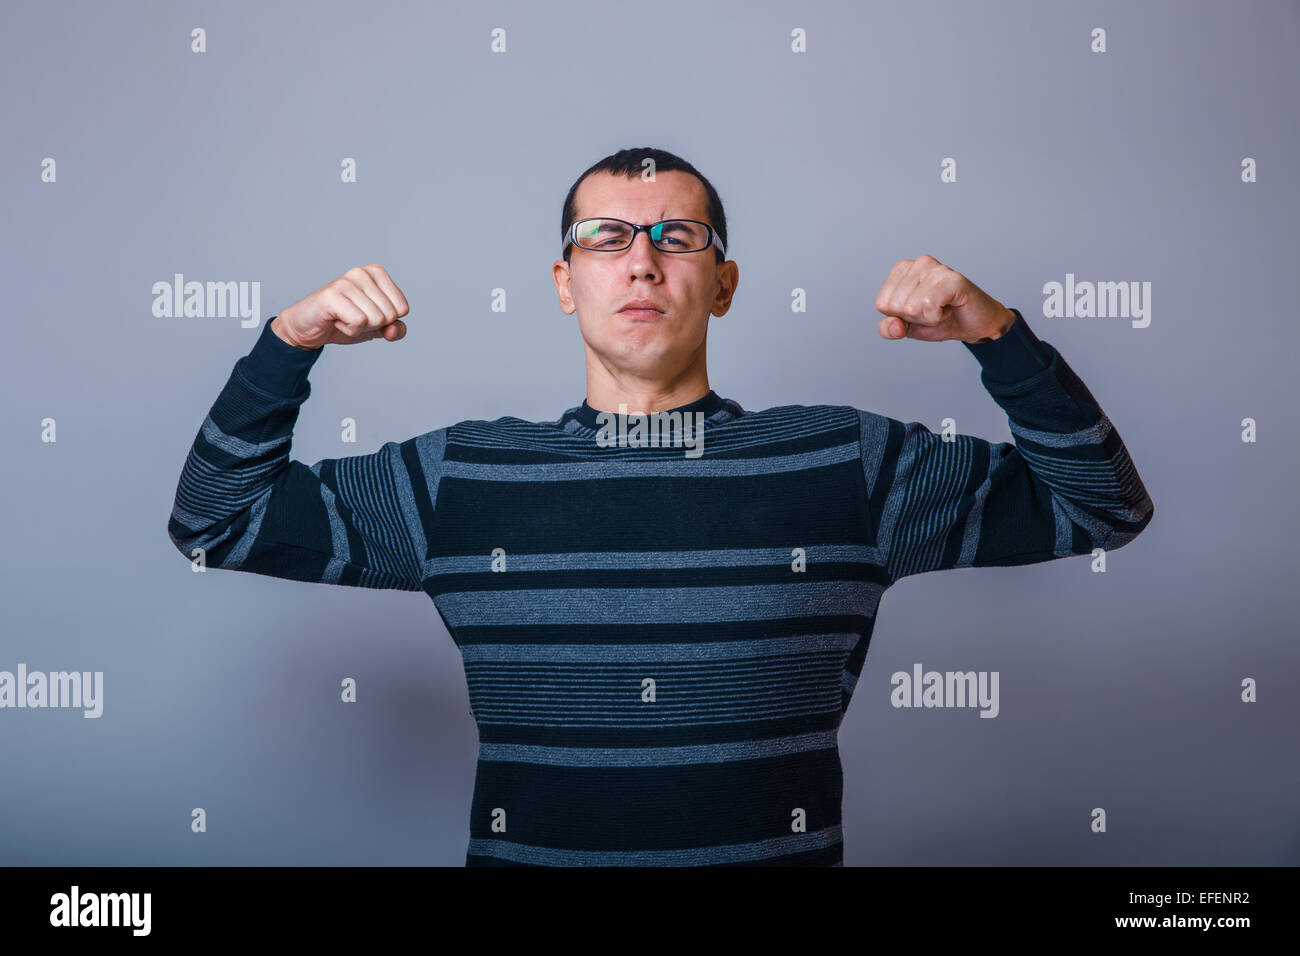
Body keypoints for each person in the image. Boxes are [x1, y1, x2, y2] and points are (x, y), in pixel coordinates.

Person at [167, 146, 1154, 866]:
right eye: (606, 237)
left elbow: (1100, 505)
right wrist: (285, 345)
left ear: (721, 284)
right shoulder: (461, 475)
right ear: (566, 283)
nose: (640, 260)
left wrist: (995, 332)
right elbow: (216, 521)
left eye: (675, 237)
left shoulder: (847, 459)